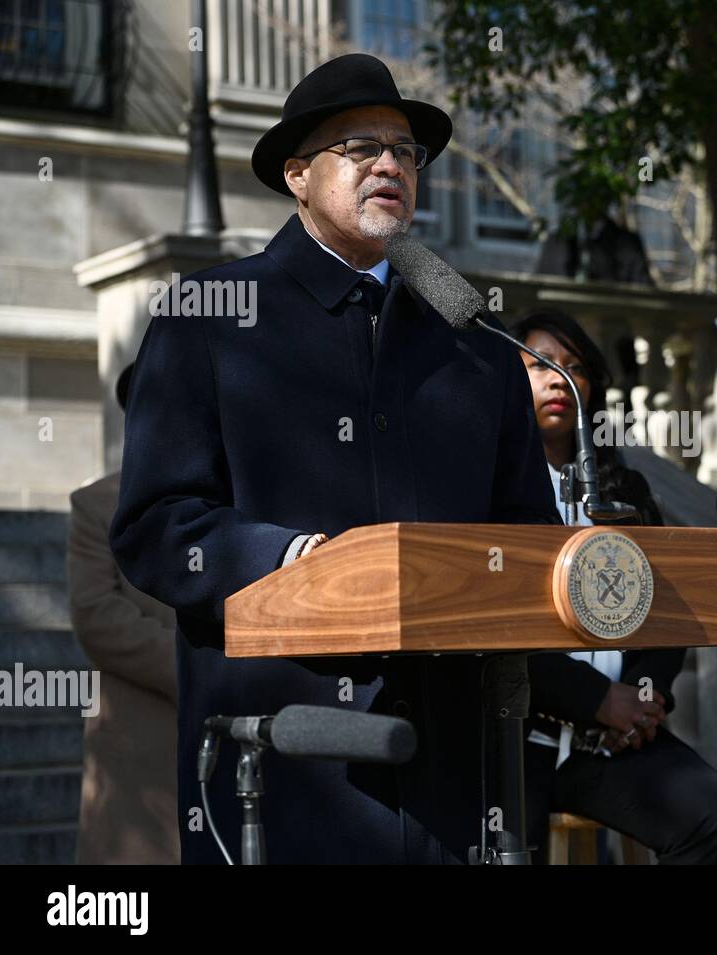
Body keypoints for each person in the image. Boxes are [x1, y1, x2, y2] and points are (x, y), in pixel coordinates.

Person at [109, 54, 559, 864]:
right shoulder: (206, 318)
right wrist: (290, 559)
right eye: (359, 147)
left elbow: (528, 534)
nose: (390, 163)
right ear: (297, 176)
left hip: (453, 778)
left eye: (405, 151)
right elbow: (154, 525)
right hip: (278, 764)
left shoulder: (478, 351)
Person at [512, 310, 717, 864]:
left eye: (572, 367)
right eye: (537, 364)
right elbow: (484, 635)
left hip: (612, 740)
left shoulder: (627, 487)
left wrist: (641, 701)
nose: (556, 378)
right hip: (516, 739)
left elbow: (666, 609)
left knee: (715, 814)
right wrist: (596, 701)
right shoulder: (486, 485)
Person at [68, 364, 179, 864]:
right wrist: (198, 667)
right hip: (140, 751)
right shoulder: (97, 505)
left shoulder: (239, 503)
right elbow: (96, 616)